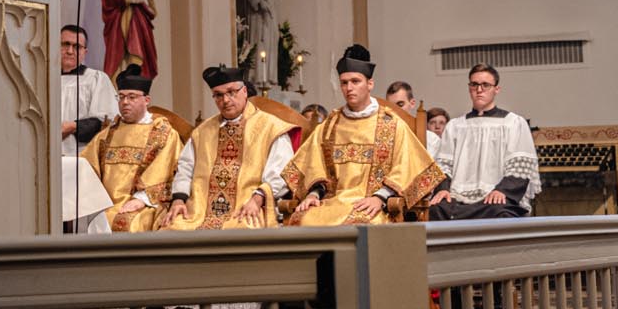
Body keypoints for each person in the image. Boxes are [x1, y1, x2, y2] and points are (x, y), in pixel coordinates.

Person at [285, 46, 443, 226]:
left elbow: (408, 167)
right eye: (344, 83)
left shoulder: (390, 124)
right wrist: (313, 194)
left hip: (371, 205)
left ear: (370, 84)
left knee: (359, 227)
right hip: (331, 203)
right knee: (302, 220)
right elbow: (313, 165)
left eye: (355, 81)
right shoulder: (329, 125)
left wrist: (381, 197)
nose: (349, 88)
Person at [162, 64, 297, 231]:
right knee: (172, 228)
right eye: (218, 95)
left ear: (245, 91)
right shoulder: (202, 132)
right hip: (199, 212)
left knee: (243, 231)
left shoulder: (271, 128)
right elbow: (185, 169)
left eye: (231, 92)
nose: (225, 100)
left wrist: (258, 199)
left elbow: (282, 173)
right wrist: (178, 200)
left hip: (246, 209)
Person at [429, 64, 541, 220]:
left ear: (496, 89)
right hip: (457, 197)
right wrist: (443, 189)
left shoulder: (513, 123)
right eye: (474, 84)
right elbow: (443, 165)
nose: (479, 90)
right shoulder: (455, 126)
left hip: (495, 197)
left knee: (500, 211)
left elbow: (520, 165)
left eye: (485, 85)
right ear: (469, 87)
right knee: (437, 210)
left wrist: (502, 191)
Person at [80, 64, 181, 232]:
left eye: (132, 97)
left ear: (146, 100)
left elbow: (162, 171)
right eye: (121, 97)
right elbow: (86, 166)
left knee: (131, 224)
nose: (125, 102)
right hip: (105, 204)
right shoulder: (107, 134)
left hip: (145, 204)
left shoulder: (162, 132)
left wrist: (141, 199)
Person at [59, 25, 118, 234]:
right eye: (65, 44)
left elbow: (106, 121)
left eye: (77, 46)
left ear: (85, 52)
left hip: (81, 155)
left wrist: (72, 126)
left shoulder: (96, 79)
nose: (70, 50)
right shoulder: (42, 77)